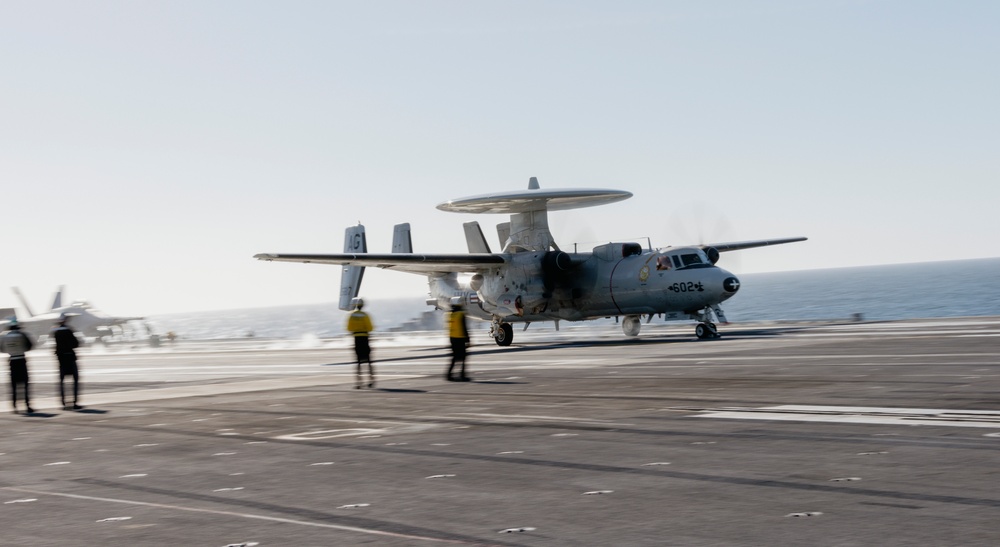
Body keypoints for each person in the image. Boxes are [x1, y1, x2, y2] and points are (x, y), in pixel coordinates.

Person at [1, 319, 34, 414]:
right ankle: (27, 405)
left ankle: (14, 407)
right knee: (25, 384)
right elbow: (30, 346)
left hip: (12, 361)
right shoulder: (22, 335)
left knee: (14, 386)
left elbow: (2, 349)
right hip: (21, 360)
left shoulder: (5, 336)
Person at [52, 314, 82, 410]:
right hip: (70, 358)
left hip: (61, 360)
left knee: (62, 382)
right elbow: (76, 343)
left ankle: (63, 403)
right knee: (75, 381)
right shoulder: (69, 330)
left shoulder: (56, 332)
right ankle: (74, 402)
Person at [345, 298, 375, 389]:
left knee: (358, 362)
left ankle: (359, 382)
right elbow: (370, 327)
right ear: (362, 306)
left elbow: (349, 328)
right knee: (369, 361)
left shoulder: (351, 315)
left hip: (356, 339)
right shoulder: (365, 315)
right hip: (365, 338)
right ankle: (371, 380)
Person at [446, 297, 470, 382]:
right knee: (463, 358)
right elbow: (464, 327)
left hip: (452, 338)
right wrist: (468, 339)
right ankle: (462, 375)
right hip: (460, 338)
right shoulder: (461, 314)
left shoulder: (449, 314)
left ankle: (448, 374)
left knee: (454, 357)